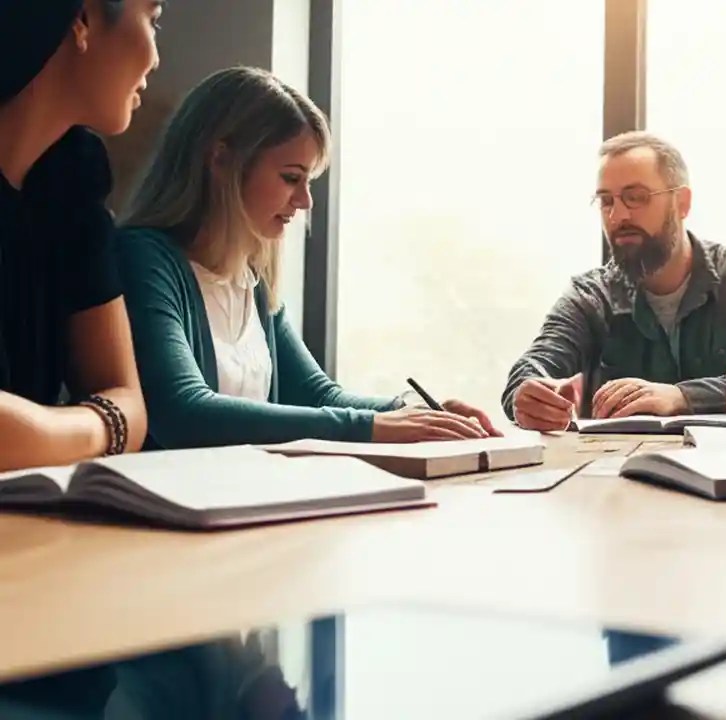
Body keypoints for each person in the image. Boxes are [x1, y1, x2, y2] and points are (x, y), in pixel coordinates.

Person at [117, 67, 498, 449]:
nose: (304, 202)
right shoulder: (144, 260)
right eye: (290, 178)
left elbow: (319, 397)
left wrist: (416, 411)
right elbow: (184, 412)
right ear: (220, 160)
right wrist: (371, 427)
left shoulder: (251, 278)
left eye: (307, 181)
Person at [502, 131, 726, 432]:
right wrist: (527, 395)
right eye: (606, 201)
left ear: (682, 203)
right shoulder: (590, 296)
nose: (617, 217)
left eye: (636, 197)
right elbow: (536, 364)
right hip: (618, 479)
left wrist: (682, 397)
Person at [0, 0, 162, 471]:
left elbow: (130, 403)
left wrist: (36, 431)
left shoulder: (72, 179)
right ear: (84, 19)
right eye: (153, 19)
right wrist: (100, 425)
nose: (155, 57)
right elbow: (121, 415)